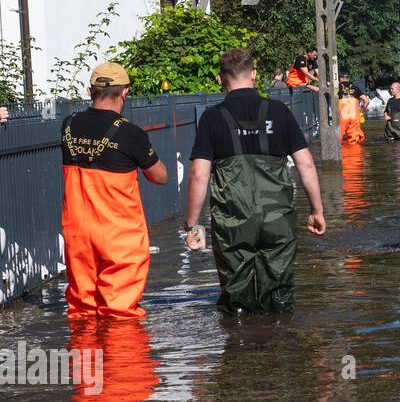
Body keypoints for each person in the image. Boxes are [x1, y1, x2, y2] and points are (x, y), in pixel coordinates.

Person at [185, 48, 325, 316]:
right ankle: (282, 349)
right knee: (279, 292)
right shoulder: (279, 112)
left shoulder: (212, 118)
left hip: (232, 219)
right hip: (277, 216)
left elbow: (199, 174)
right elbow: (306, 164)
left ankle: (240, 352)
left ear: (220, 79)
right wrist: (316, 211)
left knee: (236, 294)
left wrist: (193, 224)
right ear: (255, 75)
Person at [61, 62, 168, 319]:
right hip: (118, 234)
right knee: (120, 314)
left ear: (90, 91)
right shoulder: (130, 133)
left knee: (82, 310)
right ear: (124, 93)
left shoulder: (68, 125)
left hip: (78, 233)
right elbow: (160, 176)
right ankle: (123, 360)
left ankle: (86, 358)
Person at [338, 73, 369, 145]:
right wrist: (361, 111)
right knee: (354, 140)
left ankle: (342, 154)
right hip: (354, 116)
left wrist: (308, 85)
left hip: (342, 116)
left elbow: (318, 89)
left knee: (339, 139)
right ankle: (355, 154)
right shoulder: (355, 87)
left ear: (340, 79)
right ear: (348, 79)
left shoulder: (337, 87)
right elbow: (366, 101)